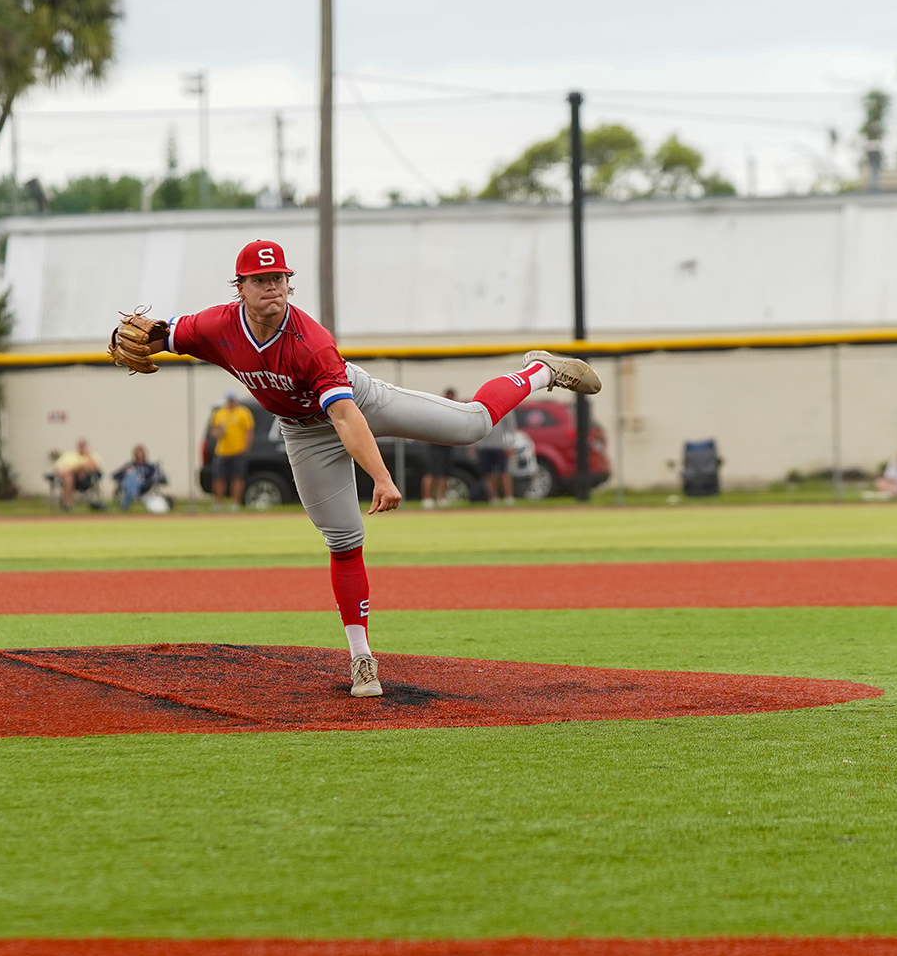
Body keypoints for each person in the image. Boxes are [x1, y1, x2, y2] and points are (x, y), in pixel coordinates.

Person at [107, 238, 600, 698]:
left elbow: (345, 416)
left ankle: (539, 371)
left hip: (358, 401)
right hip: (301, 430)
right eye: (261, 281)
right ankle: (362, 659)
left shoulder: (310, 342)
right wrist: (125, 338)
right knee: (343, 540)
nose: (272, 288)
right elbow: (161, 334)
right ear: (239, 288)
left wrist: (382, 477)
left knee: (472, 426)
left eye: (279, 279)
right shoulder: (215, 325)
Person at [208, 390, 255, 510]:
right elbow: (213, 430)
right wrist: (217, 433)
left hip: (238, 450)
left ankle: (235, 503)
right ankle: (218, 502)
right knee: (218, 477)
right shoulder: (220, 413)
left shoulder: (243, 412)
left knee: (237, 477)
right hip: (222, 451)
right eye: (229, 400)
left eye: (232, 400)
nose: (230, 402)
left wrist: (246, 447)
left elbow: (249, 431)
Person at [421, 388, 461, 508]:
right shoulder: (437, 408)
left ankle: (440, 498)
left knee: (444, 474)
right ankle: (427, 499)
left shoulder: (455, 410)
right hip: (435, 446)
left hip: (447, 446)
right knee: (431, 473)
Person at [476, 410, 517, 506]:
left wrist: (510, 445)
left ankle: (509, 496)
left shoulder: (505, 408)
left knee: (504, 471)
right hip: (484, 446)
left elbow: (511, 428)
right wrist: (474, 445)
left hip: (500, 446)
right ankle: (494, 497)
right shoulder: (482, 408)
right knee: (488, 473)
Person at [113, 444, 168, 511]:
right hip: (128, 484)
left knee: (132, 477)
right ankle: (133, 493)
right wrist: (126, 472)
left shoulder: (149, 467)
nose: (139, 455)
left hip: (143, 485)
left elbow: (155, 477)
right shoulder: (130, 465)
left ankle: (130, 497)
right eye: (138, 453)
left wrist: (141, 477)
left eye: (141, 453)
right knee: (131, 475)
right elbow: (115, 476)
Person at [53, 438, 104, 510]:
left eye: (83, 445)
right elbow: (58, 467)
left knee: (81, 466)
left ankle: (71, 472)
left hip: (86, 479)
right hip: (69, 480)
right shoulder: (68, 455)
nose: (81, 447)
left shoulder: (93, 455)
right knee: (68, 477)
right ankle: (68, 505)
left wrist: (88, 455)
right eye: (80, 445)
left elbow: (96, 469)